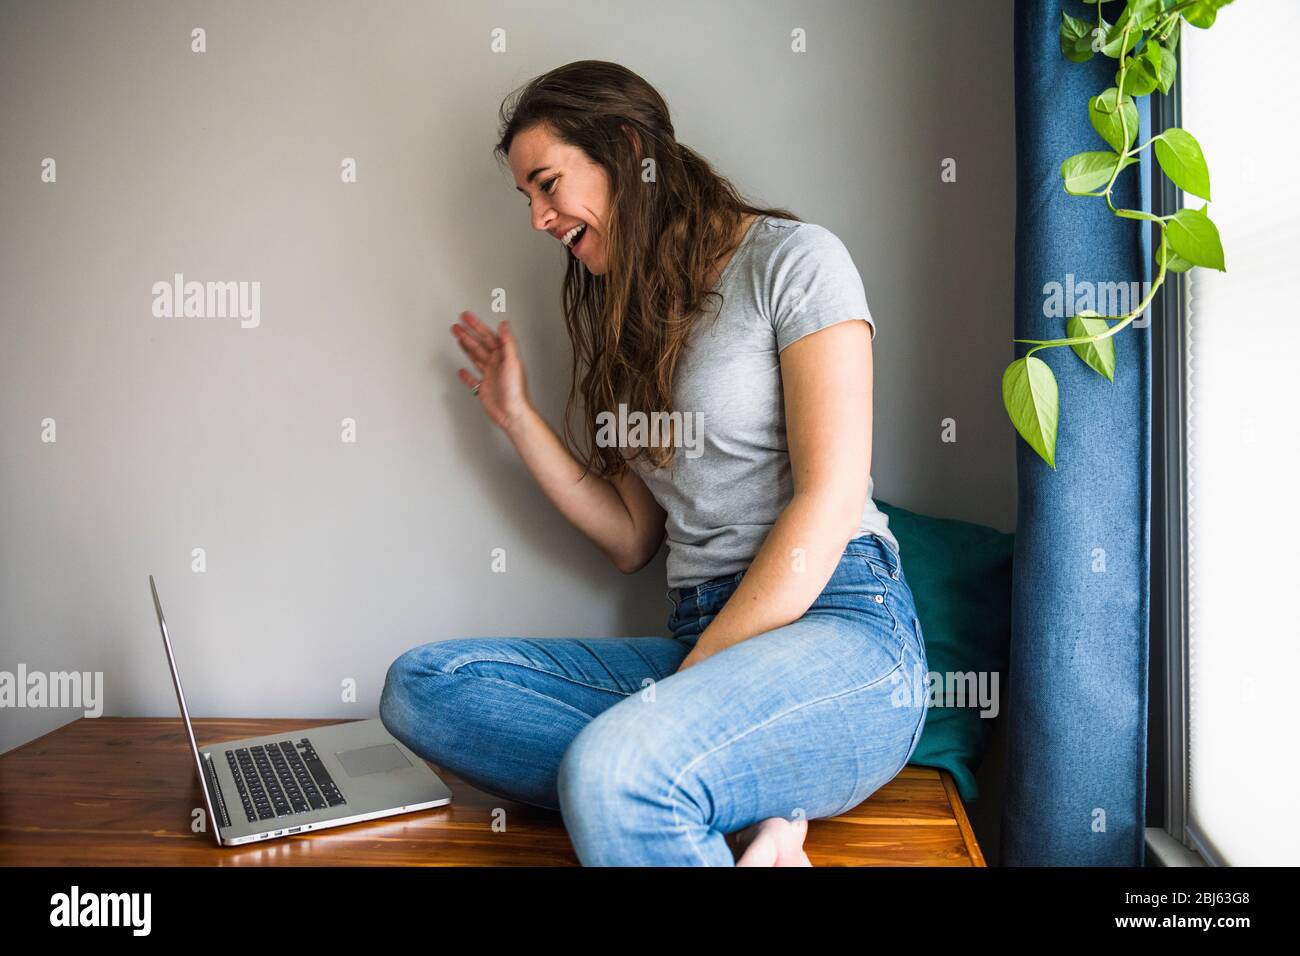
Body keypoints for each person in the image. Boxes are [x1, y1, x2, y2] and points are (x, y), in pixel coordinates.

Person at [380, 60, 928, 866]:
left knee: (615, 769)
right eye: (526, 197)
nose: (537, 218)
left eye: (546, 183)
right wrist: (515, 417)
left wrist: (685, 693)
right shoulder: (625, 322)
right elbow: (634, 537)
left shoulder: (795, 261)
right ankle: (735, 801)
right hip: (698, 631)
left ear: (627, 149)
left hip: (840, 627)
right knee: (424, 687)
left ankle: (673, 774)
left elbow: (831, 496)